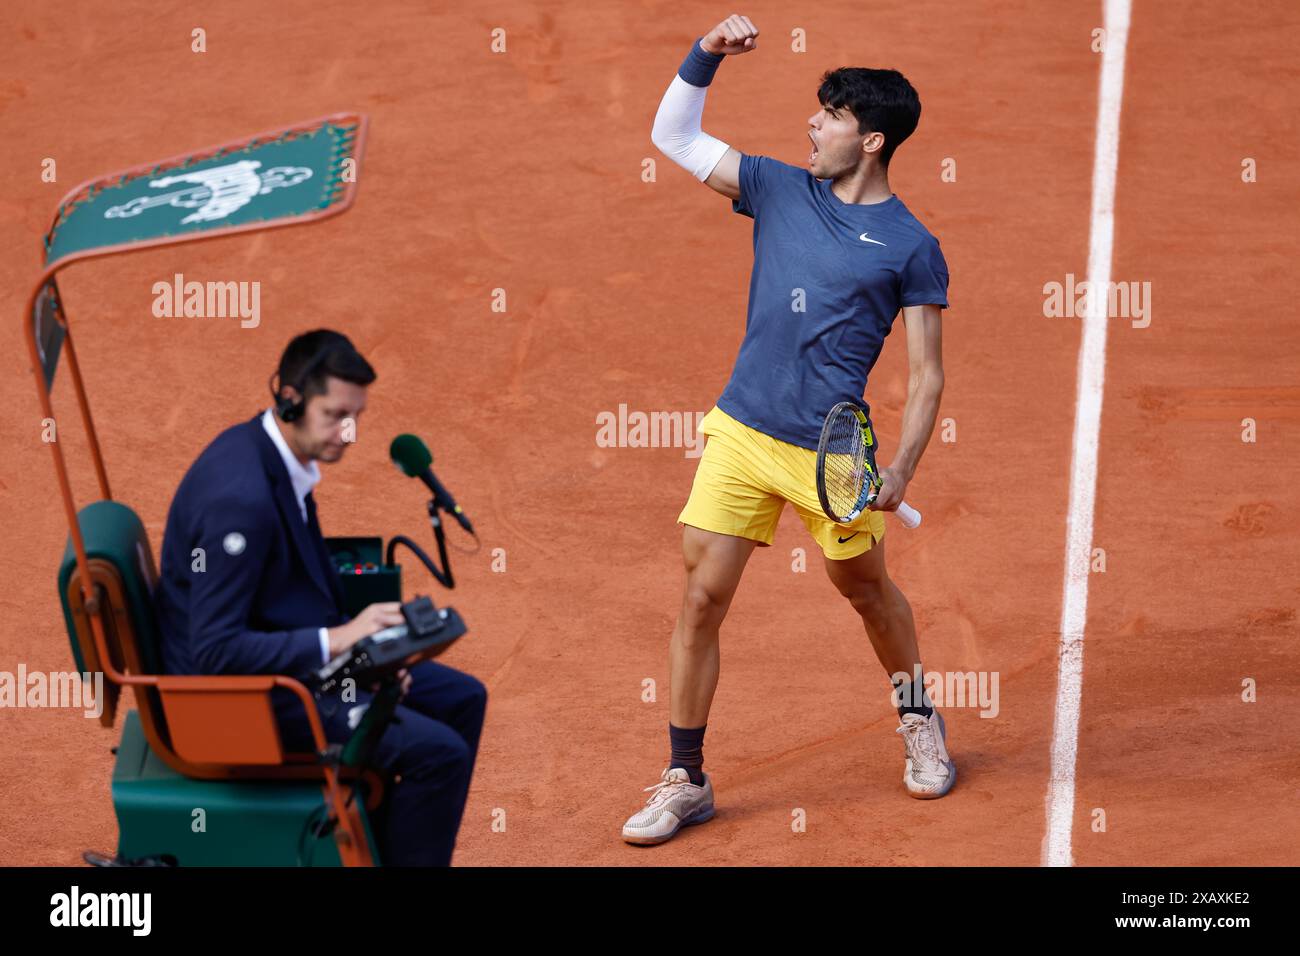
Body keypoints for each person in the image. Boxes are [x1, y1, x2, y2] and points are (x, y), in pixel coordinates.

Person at [623, 15, 953, 846]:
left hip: (828, 452)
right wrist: (707, 52)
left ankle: (917, 715)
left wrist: (903, 472)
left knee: (866, 592)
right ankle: (685, 776)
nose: (813, 122)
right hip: (740, 429)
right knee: (700, 598)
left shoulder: (911, 246)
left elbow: (927, 376)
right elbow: (673, 133)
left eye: (831, 115)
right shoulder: (776, 187)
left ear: (870, 139)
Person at [154, 328, 486, 865]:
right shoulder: (241, 502)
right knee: (438, 755)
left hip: (294, 662)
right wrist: (339, 640)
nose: (349, 432)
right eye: (335, 415)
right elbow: (214, 653)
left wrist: (373, 659)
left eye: (356, 416)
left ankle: (383, 848)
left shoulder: (274, 455)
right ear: (289, 400)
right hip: (246, 700)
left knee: (462, 699)